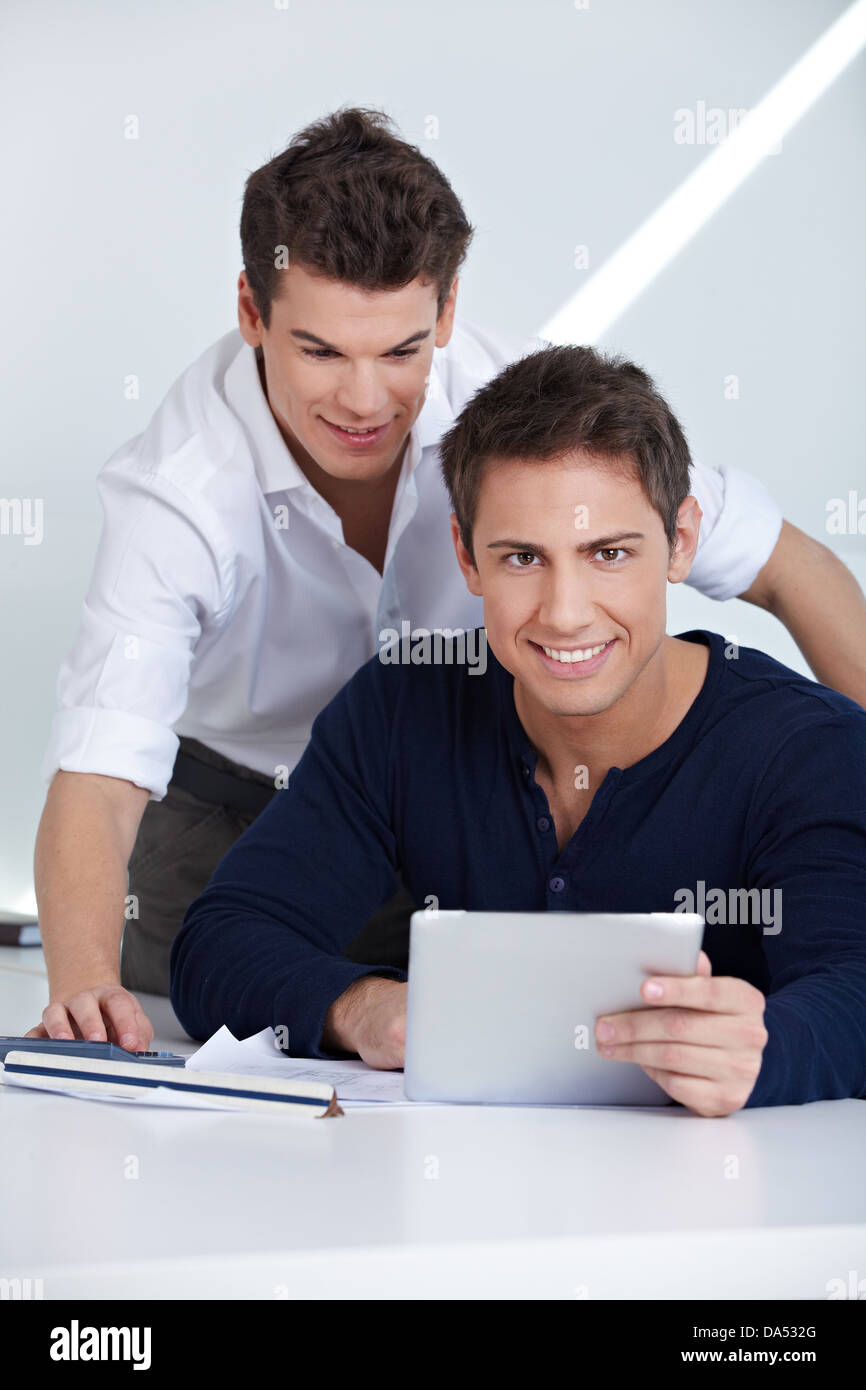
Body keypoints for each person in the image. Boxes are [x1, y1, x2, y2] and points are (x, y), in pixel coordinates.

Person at [32, 108, 866, 1055]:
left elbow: (789, 568)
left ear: (449, 313)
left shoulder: (534, 416)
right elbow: (102, 778)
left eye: (400, 350)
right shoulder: (178, 493)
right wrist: (86, 987)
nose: (363, 400)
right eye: (320, 351)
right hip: (247, 784)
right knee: (217, 1012)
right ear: (252, 313)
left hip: (465, 766)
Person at [170, 344, 866, 1117]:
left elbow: (855, 988)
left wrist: (768, 1046)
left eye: (608, 553)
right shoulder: (402, 711)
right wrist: (365, 1008)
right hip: (449, 1204)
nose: (565, 612)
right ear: (467, 556)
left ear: (681, 542)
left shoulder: (808, 749)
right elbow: (222, 941)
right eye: (523, 557)